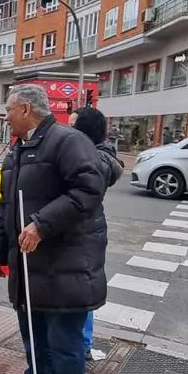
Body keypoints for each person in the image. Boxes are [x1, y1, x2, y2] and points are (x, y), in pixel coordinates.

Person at [0, 85, 114, 374]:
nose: (5, 117)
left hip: (67, 262)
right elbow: (6, 207)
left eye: (9, 110)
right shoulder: (18, 151)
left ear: (26, 109)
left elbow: (88, 191)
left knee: (64, 340)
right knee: (34, 333)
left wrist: (42, 224)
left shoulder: (67, 141)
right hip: (30, 264)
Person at [71, 106, 124, 360]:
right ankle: (84, 343)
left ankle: (83, 345)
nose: (67, 130)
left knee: (82, 291)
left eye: (72, 126)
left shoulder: (95, 161)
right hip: (87, 233)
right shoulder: (96, 156)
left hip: (84, 234)